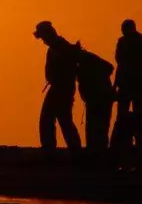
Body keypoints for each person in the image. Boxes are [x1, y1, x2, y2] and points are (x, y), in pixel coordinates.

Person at [33, 21, 81, 154]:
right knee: (61, 119)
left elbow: (67, 69)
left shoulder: (61, 47)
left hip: (62, 88)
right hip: (60, 87)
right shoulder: (56, 47)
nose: (43, 41)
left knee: (51, 118)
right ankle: (72, 149)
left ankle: (54, 149)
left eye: (43, 37)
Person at [111, 19, 142, 158]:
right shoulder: (126, 42)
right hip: (128, 86)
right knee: (125, 118)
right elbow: (120, 65)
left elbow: (122, 64)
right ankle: (127, 151)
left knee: (137, 119)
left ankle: (138, 152)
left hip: (137, 87)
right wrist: (116, 85)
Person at [77, 45, 115, 155]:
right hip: (96, 98)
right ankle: (95, 150)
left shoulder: (88, 61)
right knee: (94, 125)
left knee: (98, 125)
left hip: (100, 98)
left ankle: (99, 151)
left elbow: (109, 68)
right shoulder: (83, 63)